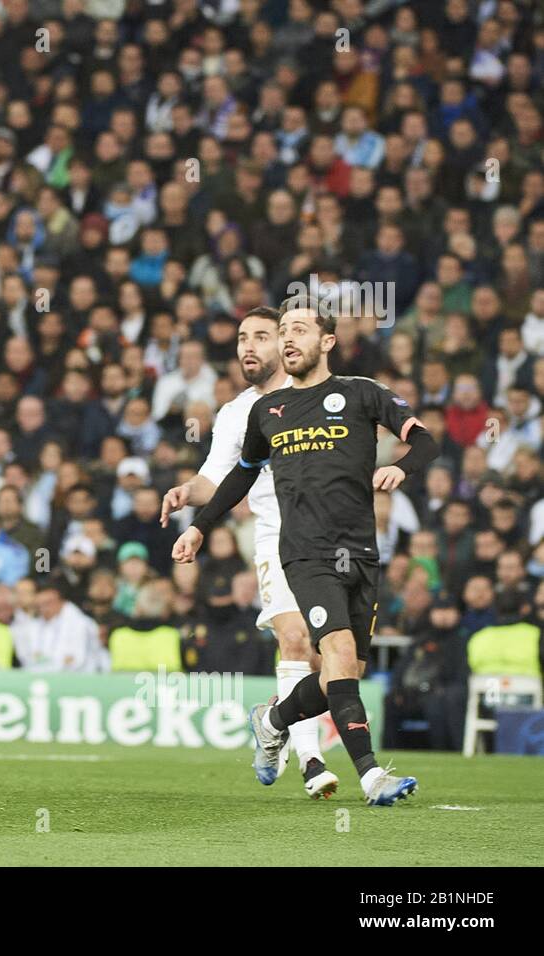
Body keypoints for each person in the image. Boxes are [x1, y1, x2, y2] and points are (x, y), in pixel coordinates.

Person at [174, 295, 440, 806]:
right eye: (285, 331)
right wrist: (201, 526)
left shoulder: (362, 394)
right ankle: (370, 775)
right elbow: (239, 478)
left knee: (340, 673)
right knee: (335, 651)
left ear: (327, 341)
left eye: (299, 330)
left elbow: (425, 440)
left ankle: (272, 718)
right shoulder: (265, 411)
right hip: (303, 554)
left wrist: (402, 468)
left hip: (361, 553)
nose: (289, 339)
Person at [160, 307, 335, 798]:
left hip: (330, 537)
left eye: (262, 336)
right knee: (295, 638)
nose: (249, 347)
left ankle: (274, 721)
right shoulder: (237, 412)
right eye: (242, 338)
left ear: (286, 344)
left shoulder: (322, 396)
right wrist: (185, 493)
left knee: (334, 664)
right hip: (275, 534)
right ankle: (312, 762)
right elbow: (215, 479)